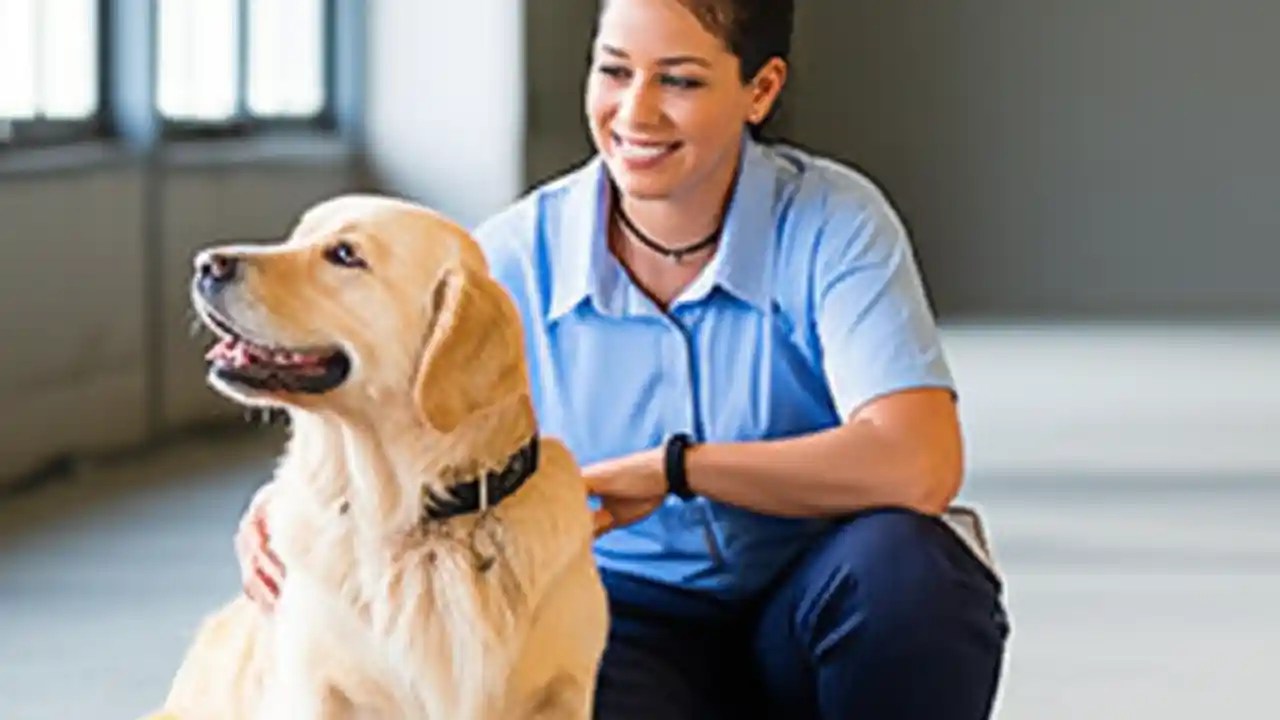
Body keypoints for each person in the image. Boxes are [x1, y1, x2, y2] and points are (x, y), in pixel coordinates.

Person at [234, 0, 1011, 717]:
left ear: (761, 89)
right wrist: (291, 505)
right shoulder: (506, 263)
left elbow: (917, 463)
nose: (634, 112)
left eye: (679, 80)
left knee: (913, 574)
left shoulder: (834, 226)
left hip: (811, 598)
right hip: (619, 619)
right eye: (613, 70)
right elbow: (389, 416)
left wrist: (678, 469)